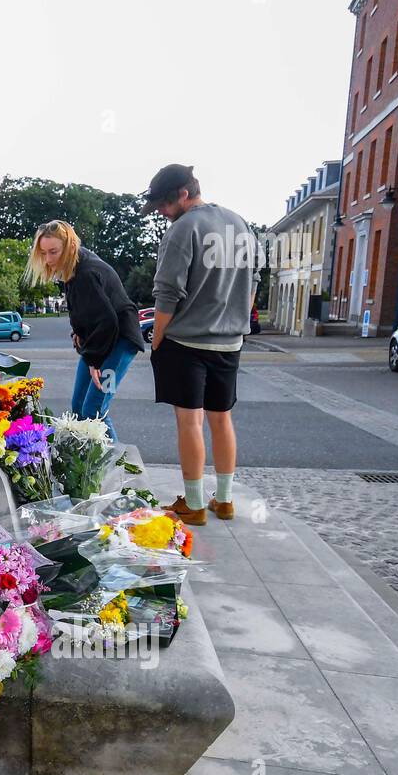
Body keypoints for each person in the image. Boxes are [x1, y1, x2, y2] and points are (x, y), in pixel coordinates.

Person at [142, 164, 259, 525]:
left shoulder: (183, 229)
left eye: (163, 204)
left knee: (189, 422)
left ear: (182, 194)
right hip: (230, 341)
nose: (161, 212)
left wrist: (157, 341)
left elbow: (167, 293)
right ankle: (223, 501)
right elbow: (253, 281)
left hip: (187, 341)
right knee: (221, 419)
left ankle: (193, 505)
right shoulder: (241, 224)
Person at [27, 220, 144, 442]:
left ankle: (115, 464)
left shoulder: (85, 274)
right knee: (78, 407)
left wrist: (94, 361)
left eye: (53, 252)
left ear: (69, 246)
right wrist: (79, 333)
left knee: (93, 411)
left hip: (120, 342)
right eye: (44, 253)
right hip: (99, 341)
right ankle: (90, 465)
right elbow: (84, 310)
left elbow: (108, 321)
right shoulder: (73, 265)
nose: (49, 259)